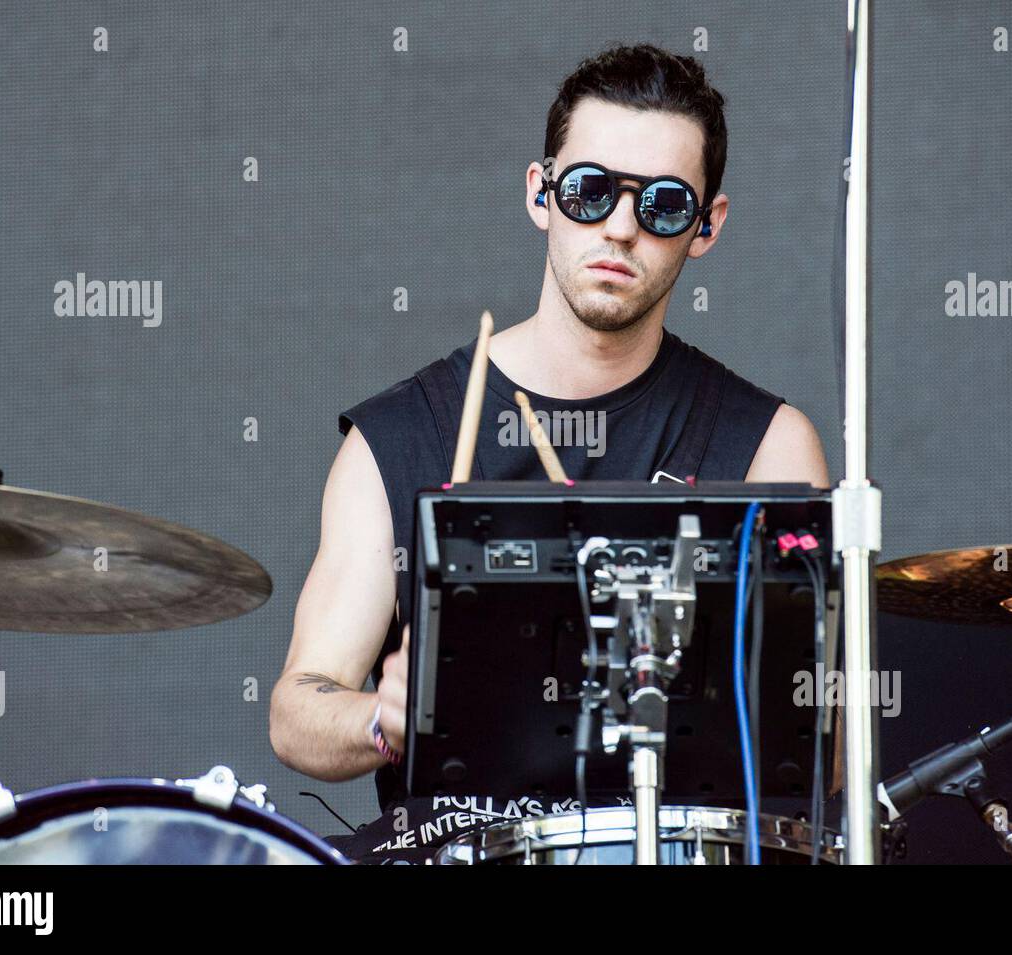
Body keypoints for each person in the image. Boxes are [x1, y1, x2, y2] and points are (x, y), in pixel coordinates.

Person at [270, 43, 828, 862]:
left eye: (666, 204)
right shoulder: (396, 440)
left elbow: (820, 741)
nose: (620, 227)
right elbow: (295, 708)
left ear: (707, 226)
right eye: (591, 189)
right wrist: (381, 719)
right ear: (541, 194)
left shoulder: (768, 446)